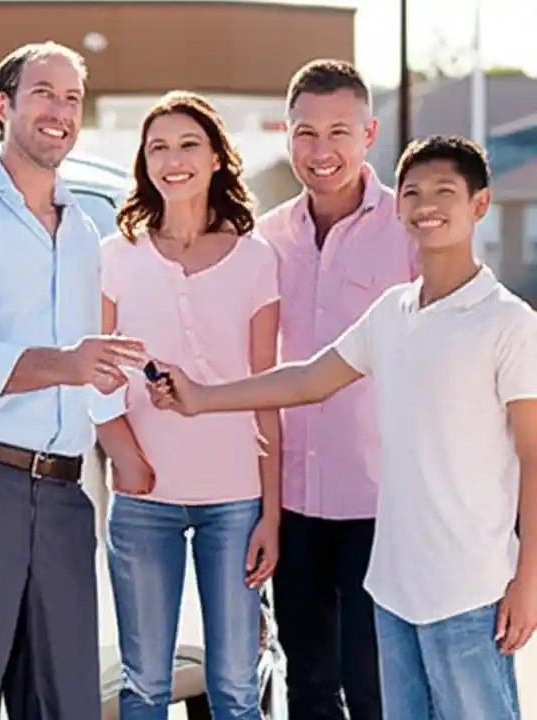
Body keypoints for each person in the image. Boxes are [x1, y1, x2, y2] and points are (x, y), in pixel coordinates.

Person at [151, 135, 537, 720]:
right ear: (398, 206)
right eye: (412, 193)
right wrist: (202, 398)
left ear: (479, 204)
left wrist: (528, 580)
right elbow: (308, 379)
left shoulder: (508, 322)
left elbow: (533, 456)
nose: (426, 205)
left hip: (471, 594)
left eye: (445, 192)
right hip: (393, 590)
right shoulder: (392, 312)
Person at [0, 41, 147, 719]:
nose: (60, 112)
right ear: (2, 105)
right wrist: (64, 363)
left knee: (67, 703)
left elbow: (90, 365)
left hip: (66, 493)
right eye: (44, 93)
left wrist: (123, 437)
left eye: (72, 98)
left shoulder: (84, 229)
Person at [93, 90, 281, 720]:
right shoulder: (116, 257)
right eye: (158, 148)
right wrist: (125, 456)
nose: (173, 160)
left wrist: (271, 514)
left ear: (217, 158)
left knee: (234, 689)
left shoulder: (256, 259)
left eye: (188, 145)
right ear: (144, 163)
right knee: (144, 685)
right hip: (144, 497)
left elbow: (269, 390)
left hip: (236, 498)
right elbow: (96, 377)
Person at [254, 59, 418, 720]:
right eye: (306, 133)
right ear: (288, 134)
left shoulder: (411, 229)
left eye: (339, 132)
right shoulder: (267, 238)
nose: (321, 151)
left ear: (370, 134)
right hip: (293, 500)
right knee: (307, 679)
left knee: (373, 681)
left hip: (382, 502)